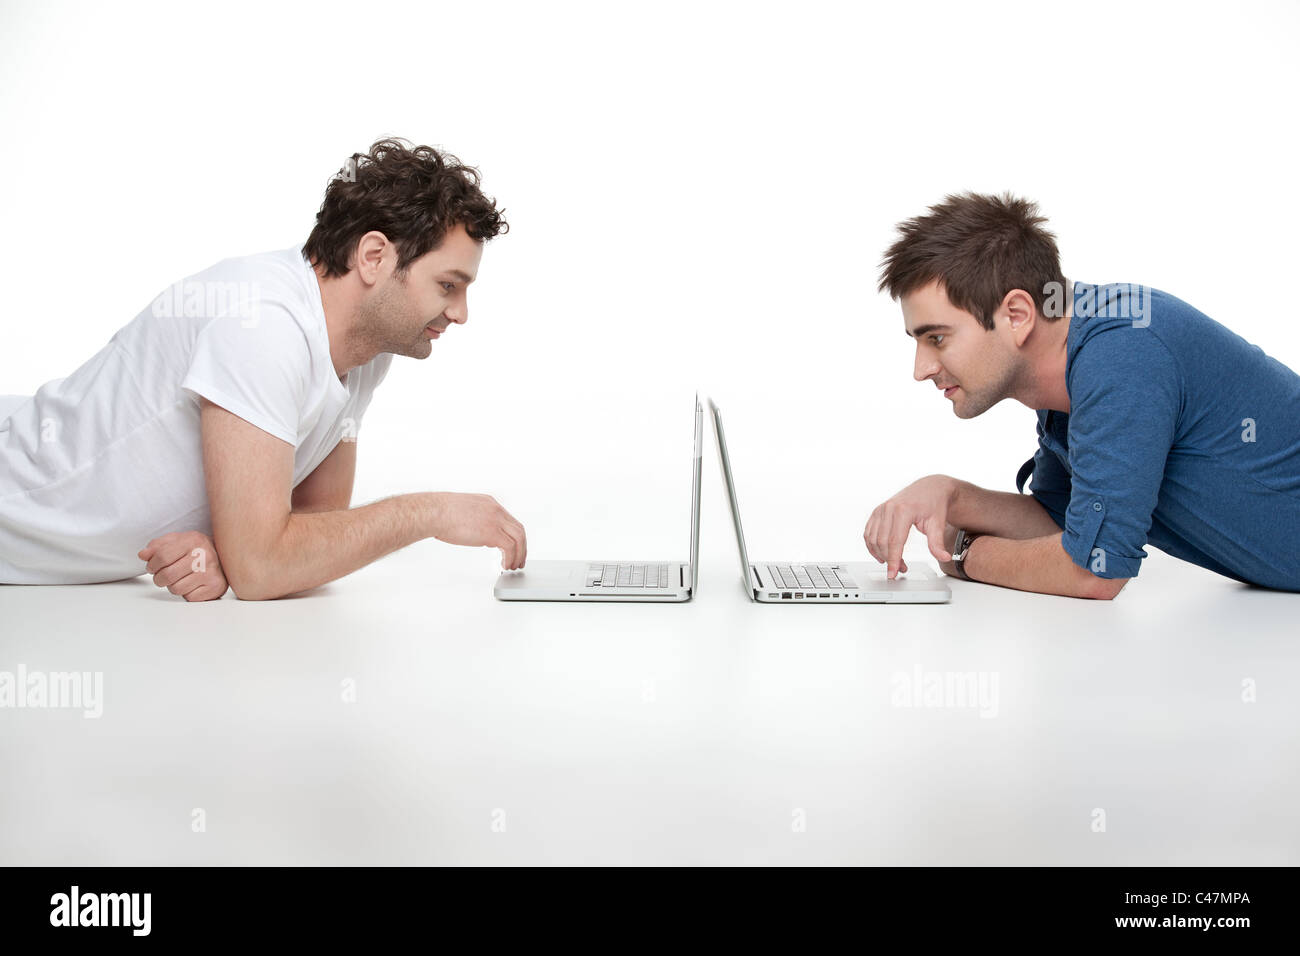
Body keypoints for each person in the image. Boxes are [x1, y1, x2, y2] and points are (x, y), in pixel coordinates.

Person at [0, 138, 527, 600]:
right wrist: (431, 513)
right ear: (373, 257)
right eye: (447, 285)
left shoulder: (365, 350)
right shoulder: (263, 324)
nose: (460, 313)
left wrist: (232, 552)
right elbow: (263, 568)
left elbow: (313, 526)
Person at [865, 192, 1300, 599]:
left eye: (937, 338)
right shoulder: (1073, 359)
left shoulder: (1121, 353)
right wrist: (949, 495)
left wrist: (963, 556)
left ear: (1017, 315)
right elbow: (1060, 520)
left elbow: (1095, 570)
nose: (921, 369)